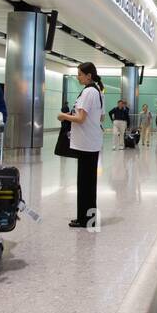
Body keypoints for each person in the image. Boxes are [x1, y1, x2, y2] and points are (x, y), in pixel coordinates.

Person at [56, 62, 104, 228]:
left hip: (86, 144)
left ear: (88, 75)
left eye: (80, 74)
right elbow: (100, 118)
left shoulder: (89, 92)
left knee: (84, 184)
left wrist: (63, 116)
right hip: (91, 142)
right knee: (88, 184)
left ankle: (85, 219)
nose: (78, 77)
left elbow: (81, 119)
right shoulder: (97, 91)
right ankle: (87, 218)